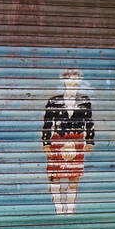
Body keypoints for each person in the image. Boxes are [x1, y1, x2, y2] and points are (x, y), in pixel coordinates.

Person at [41, 68, 94, 216]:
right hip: (58, 140)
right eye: (71, 78)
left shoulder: (85, 101)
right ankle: (58, 209)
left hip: (77, 141)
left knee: (74, 177)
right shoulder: (54, 101)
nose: (74, 82)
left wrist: (89, 141)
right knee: (55, 176)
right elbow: (47, 124)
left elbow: (89, 123)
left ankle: (70, 210)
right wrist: (46, 144)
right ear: (64, 81)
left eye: (77, 79)